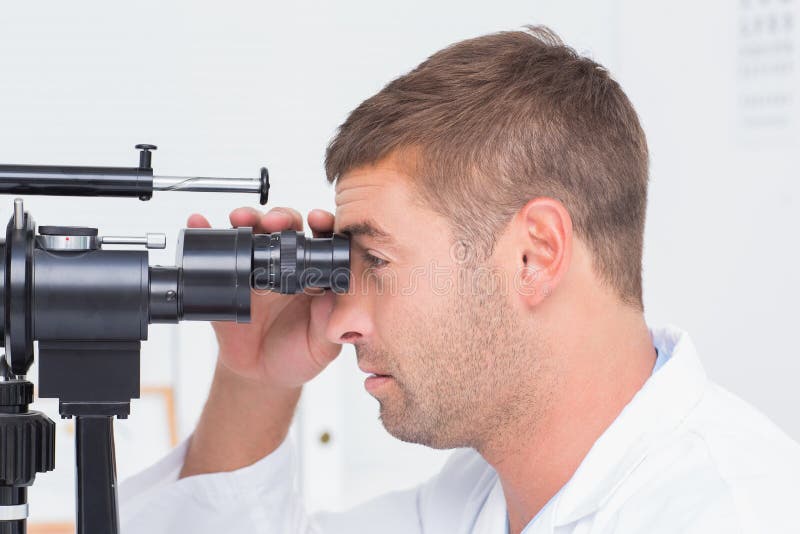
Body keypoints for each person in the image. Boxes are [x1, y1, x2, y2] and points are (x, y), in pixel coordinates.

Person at [119, 26, 800, 533]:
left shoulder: (728, 512)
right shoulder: (476, 496)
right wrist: (256, 379)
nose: (336, 319)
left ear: (533, 256)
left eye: (376, 262)